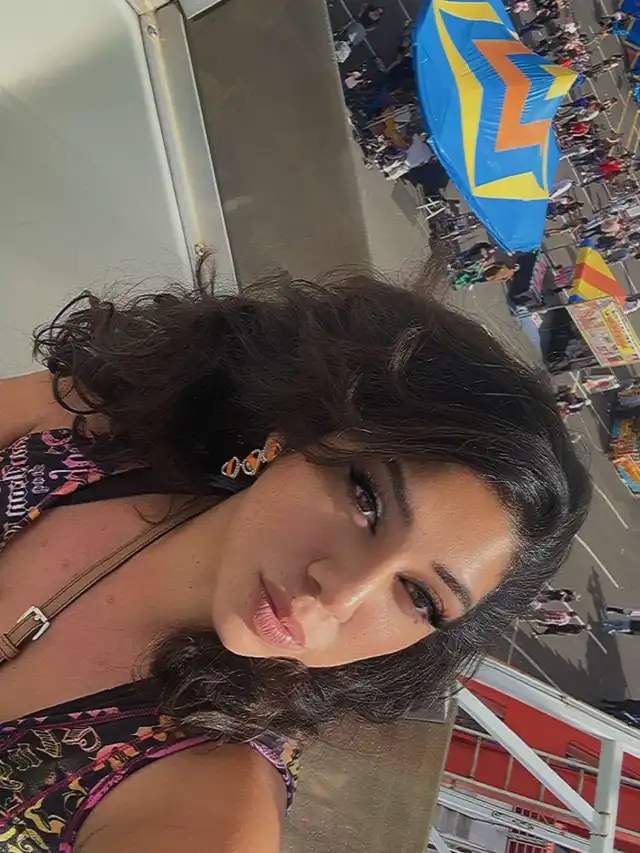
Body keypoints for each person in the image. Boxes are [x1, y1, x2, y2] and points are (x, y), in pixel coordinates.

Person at [0, 275, 591, 851]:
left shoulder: (209, 794)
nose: (340, 593)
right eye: (367, 501)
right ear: (295, 434)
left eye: (419, 597)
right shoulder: (96, 431)